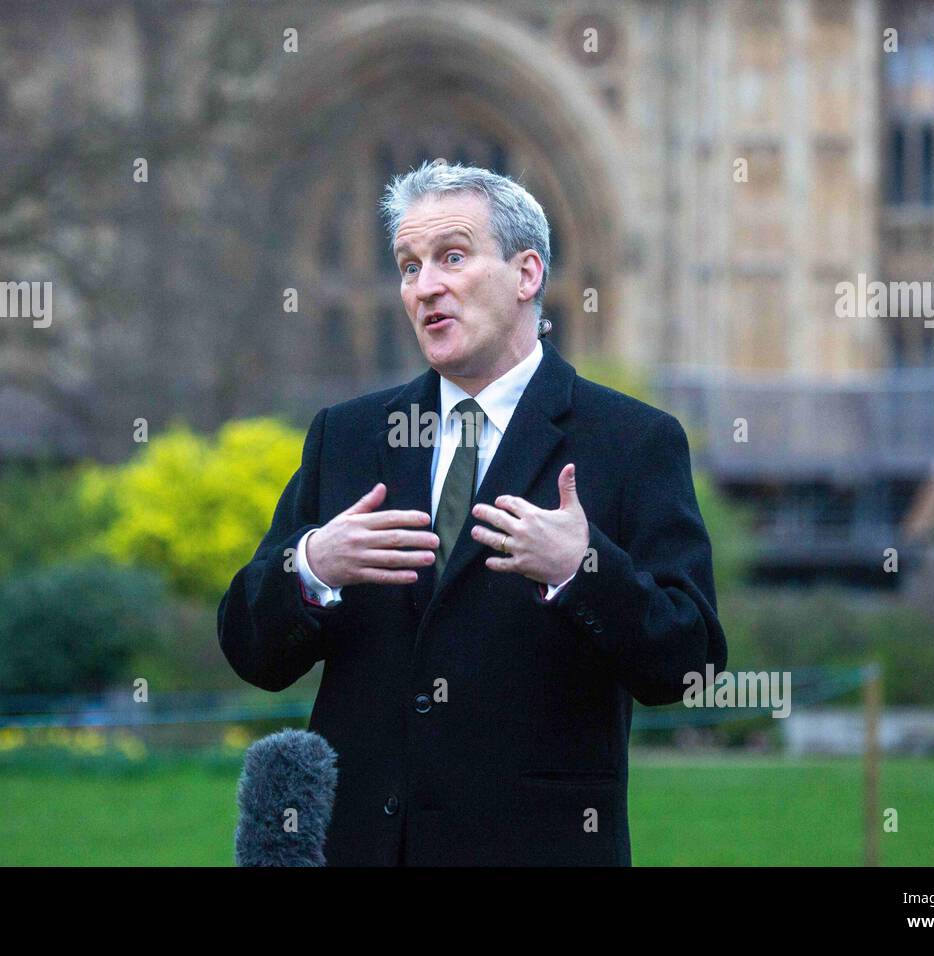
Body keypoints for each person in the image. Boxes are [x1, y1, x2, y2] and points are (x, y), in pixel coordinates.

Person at [218, 160, 727, 866]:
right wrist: (310, 567)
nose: (425, 286)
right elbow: (252, 651)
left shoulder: (633, 441)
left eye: (452, 257)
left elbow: (689, 662)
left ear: (527, 275)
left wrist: (582, 569)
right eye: (408, 265)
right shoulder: (349, 436)